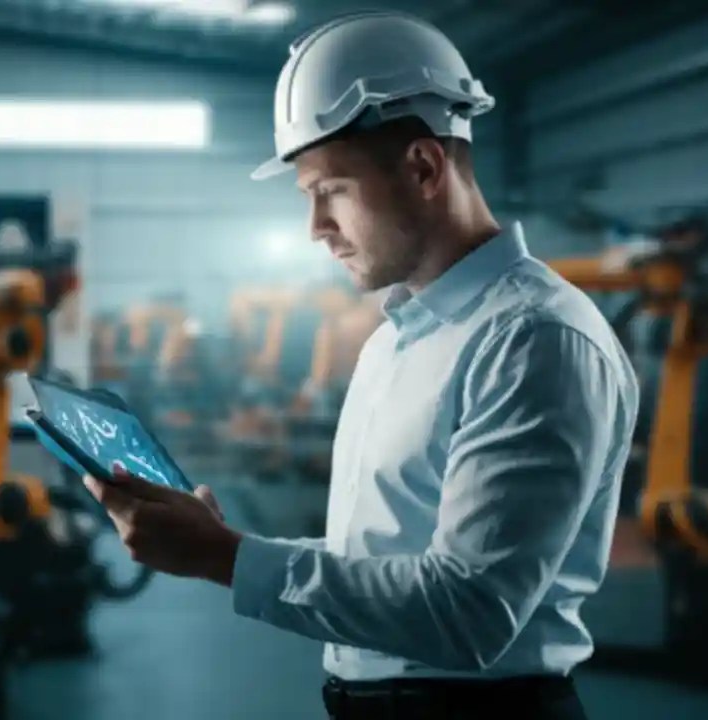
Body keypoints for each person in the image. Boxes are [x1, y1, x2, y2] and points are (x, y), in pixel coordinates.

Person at [83, 11, 639, 720]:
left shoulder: (535, 340)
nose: (315, 228)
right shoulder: (397, 336)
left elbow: (470, 612)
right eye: (307, 197)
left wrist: (227, 559)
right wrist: (230, 545)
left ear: (424, 166)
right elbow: (381, 553)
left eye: (331, 191)